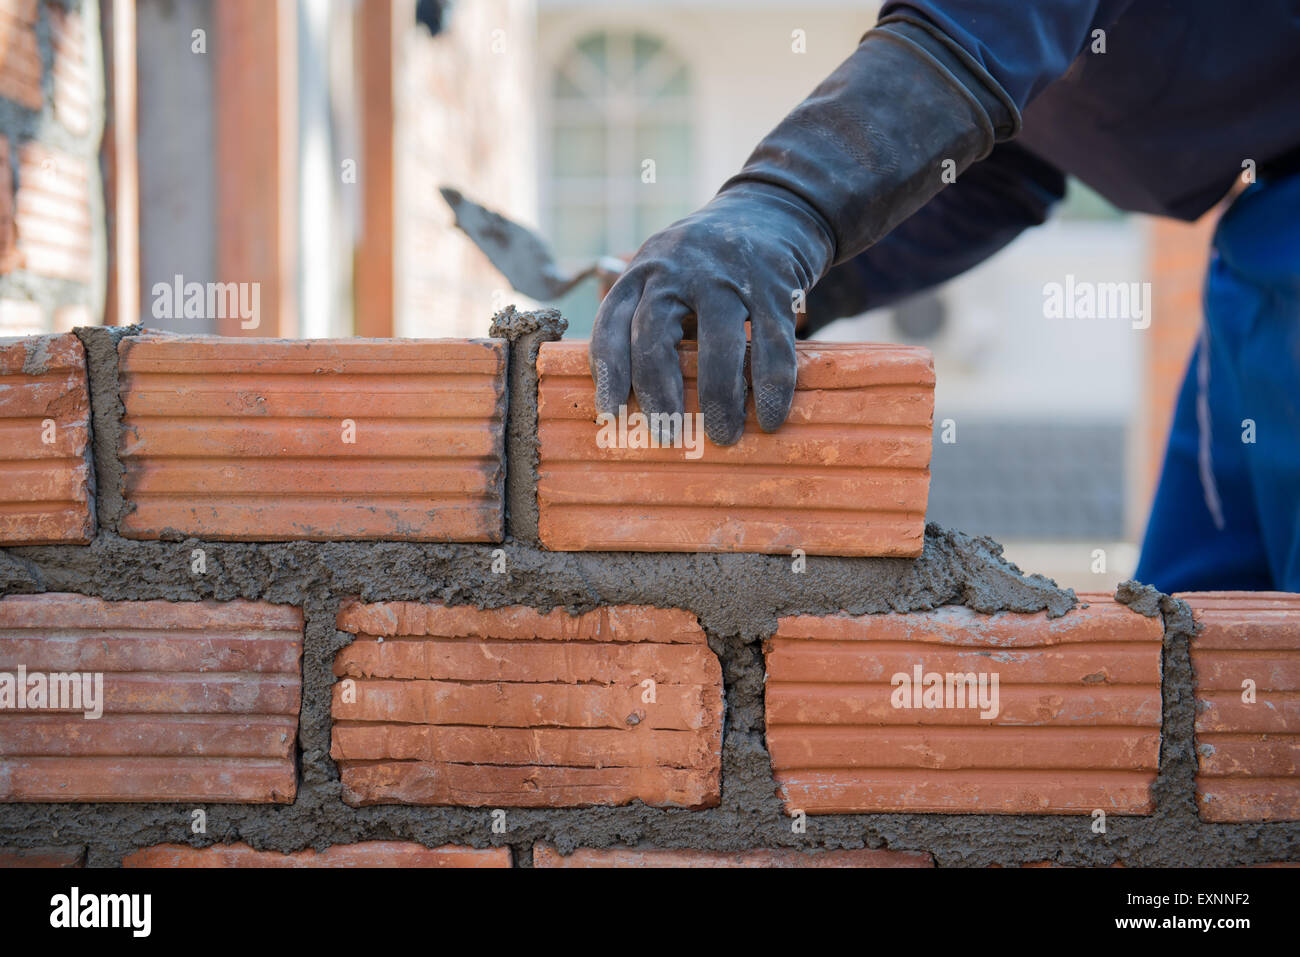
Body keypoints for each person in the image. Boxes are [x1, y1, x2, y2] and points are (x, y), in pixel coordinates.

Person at [588, 0, 1300, 593]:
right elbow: (994, 174)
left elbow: (980, 22)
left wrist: (781, 202)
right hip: (1259, 249)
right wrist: (785, 285)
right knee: (1195, 644)